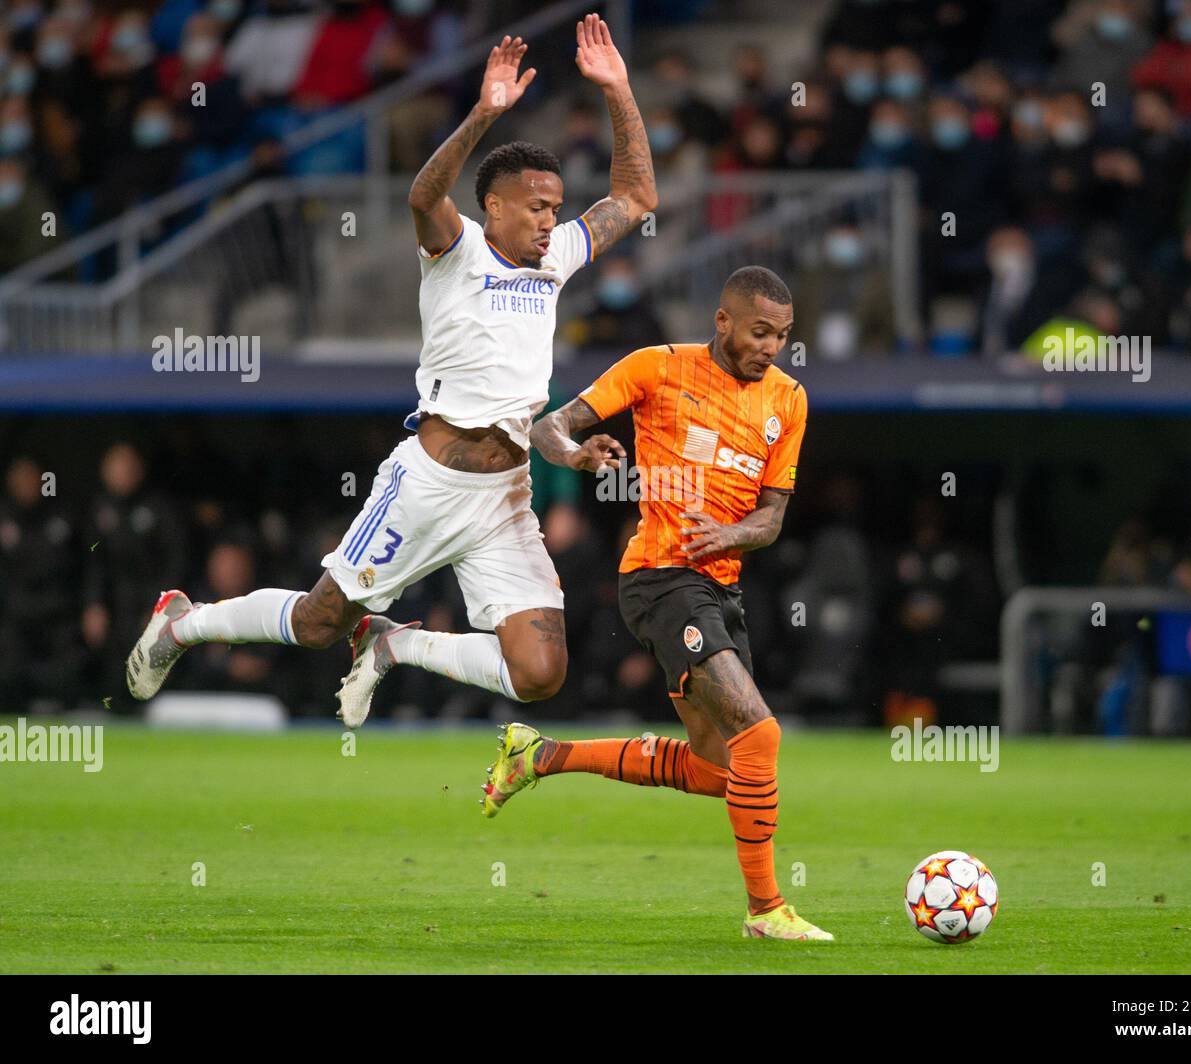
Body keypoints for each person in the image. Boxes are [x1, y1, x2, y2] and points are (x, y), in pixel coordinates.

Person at [125, 16, 657, 726]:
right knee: (319, 623)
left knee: (539, 674)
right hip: (428, 486)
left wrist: (619, 90)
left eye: (554, 209)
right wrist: (482, 114)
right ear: (492, 205)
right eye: (536, 207)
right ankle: (182, 622)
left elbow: (636, 199)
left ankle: (397, 648)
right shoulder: (456, 248)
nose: (547, 221)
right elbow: (419, 196)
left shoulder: (555, 258)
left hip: (504, 497)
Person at [484, 266, 832, 942]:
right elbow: (550, 427)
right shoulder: (657, 367)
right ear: (724, 321)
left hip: (721, 586)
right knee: (760, 735)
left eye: (784, 336)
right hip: (660, 578)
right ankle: (766, 912)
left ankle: (541, 756)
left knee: (718, 771)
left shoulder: (790, 400)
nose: (772, 347)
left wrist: (732, 534)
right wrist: (578, 456)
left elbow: (773, 518)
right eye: (761, 331)